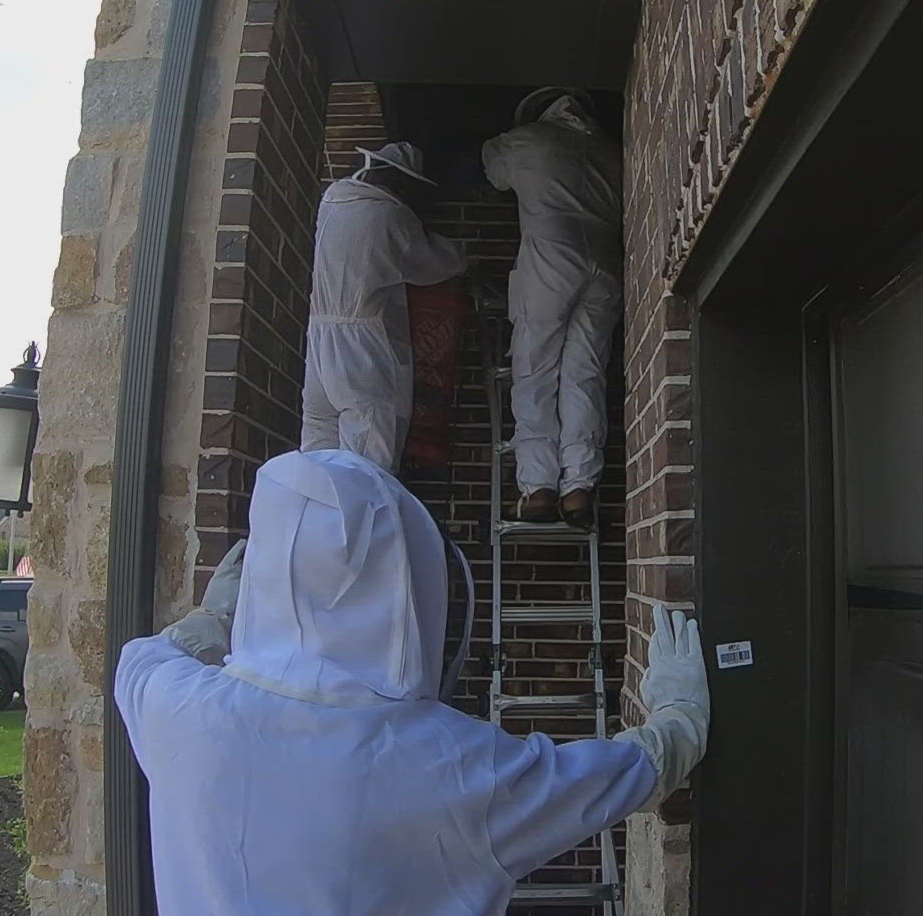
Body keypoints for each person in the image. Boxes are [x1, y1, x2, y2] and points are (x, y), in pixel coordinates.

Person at [116, 449, 710, 916]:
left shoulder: (173, 706)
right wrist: (680, 717)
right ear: (400, 581)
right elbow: (614, 778)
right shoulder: (443, 763)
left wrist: (214, 619)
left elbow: (140, 661)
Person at [482, 88, 623, 527]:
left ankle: (539, 486)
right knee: (585, 373)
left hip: (550, 259)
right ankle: (579, 487)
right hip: (606, 263)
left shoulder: (524, 139)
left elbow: (494, 173)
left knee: (535, 369)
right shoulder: (612, 151)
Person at [302, 142, 464, 472]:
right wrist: (461, 255)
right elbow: (429, 264)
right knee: (369, 459)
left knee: (317, 449)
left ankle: (317, 506)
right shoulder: (391, 215)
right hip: (362, 346)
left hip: (317, 337)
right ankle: (360, 509)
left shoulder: (330, 203)